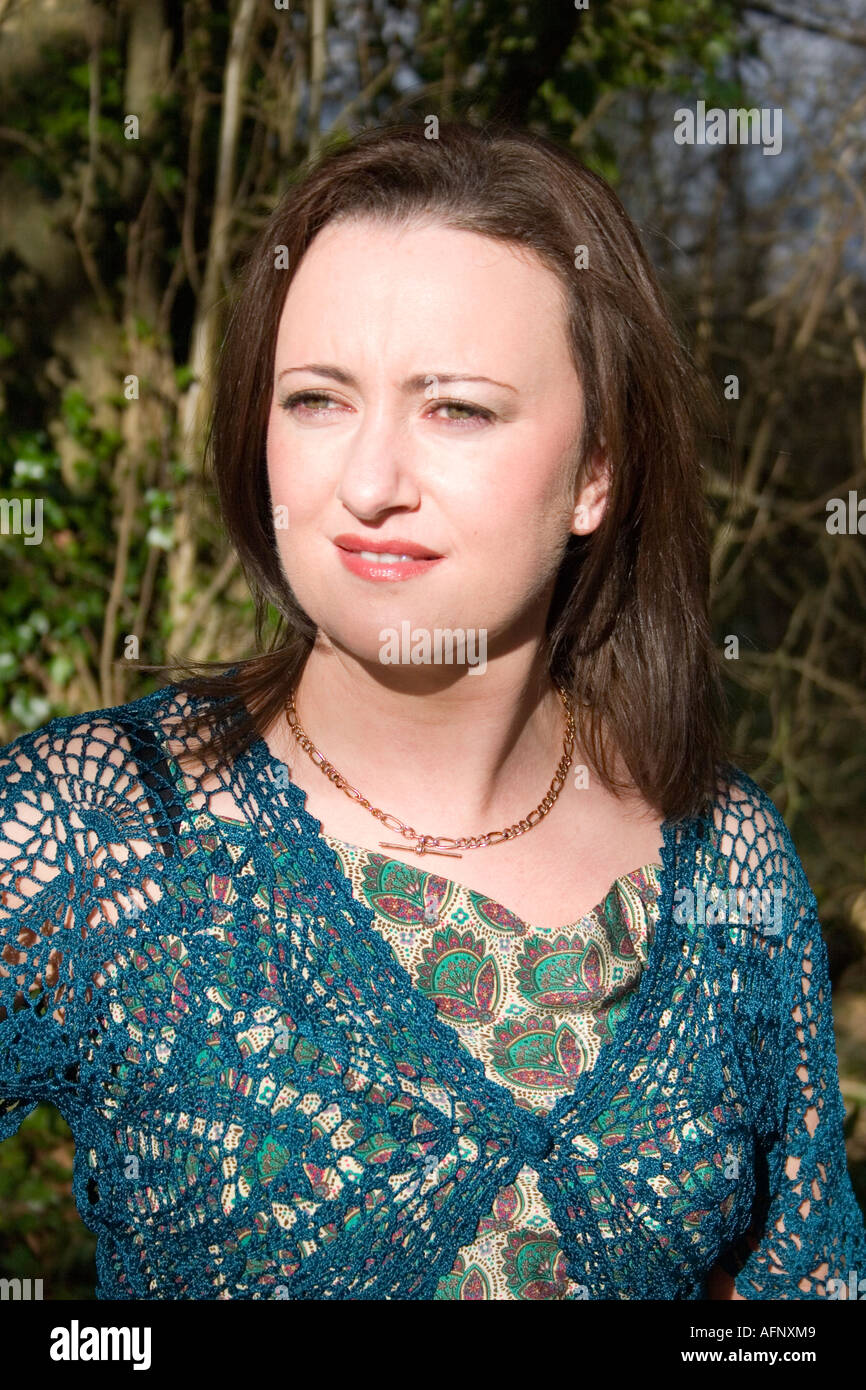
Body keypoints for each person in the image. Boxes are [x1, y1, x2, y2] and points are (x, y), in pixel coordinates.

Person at [1, 121, 863, 1301]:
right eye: (315, 400)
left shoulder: (726, 864)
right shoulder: (103, 830)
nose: (365, 484)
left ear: (595, 474)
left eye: (453, 408)